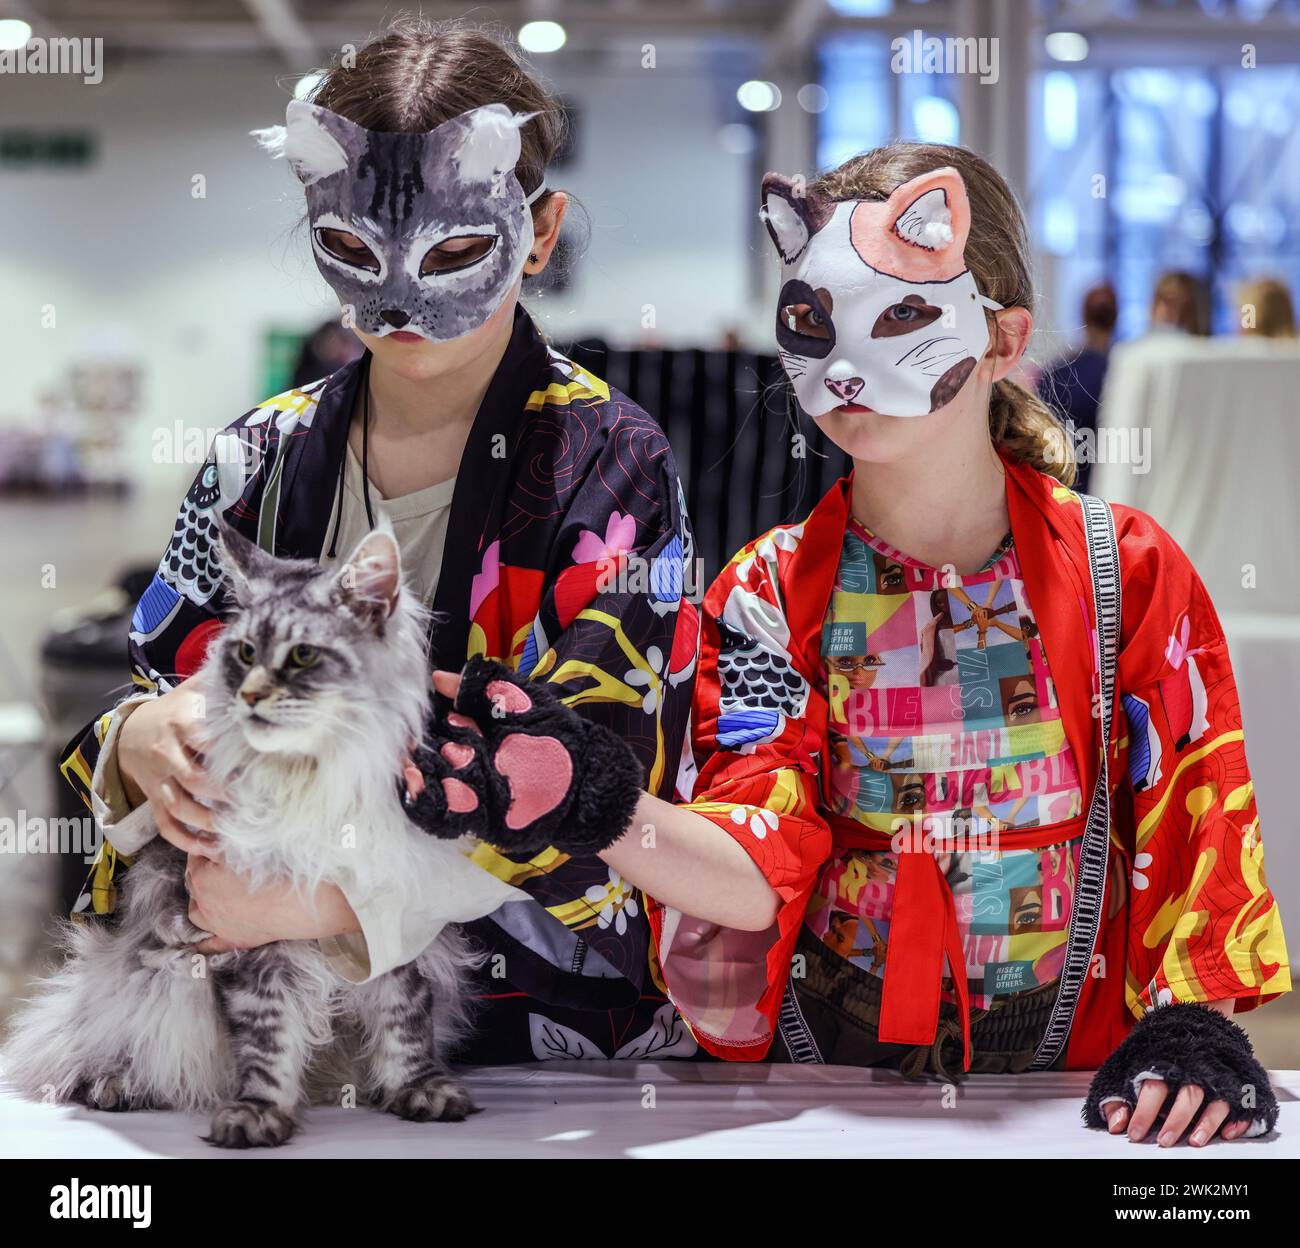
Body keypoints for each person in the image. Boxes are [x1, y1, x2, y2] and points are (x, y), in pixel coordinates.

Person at [58, 21, 765, 1065]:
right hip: (260, 1042)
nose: (395, 299)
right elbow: (153, 680)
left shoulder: (609, 462)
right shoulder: (260, 455)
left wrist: (329, 901)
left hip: (518, 1043)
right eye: (348, 247)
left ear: (540, 229)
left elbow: (589, 781)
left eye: (452, 250)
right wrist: (134, 745)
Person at [607, 143, 1285, 1145]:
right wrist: (602, 808)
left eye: (904, 316)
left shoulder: (1127, 572)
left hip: (1078, 1102)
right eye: (813, 320)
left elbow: (1195, 813)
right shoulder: (763, 590)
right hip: (818, 1098)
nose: (847, 364)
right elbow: (758, 830)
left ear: (1004, 339)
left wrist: (1192, 1029)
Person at [1038, 283, 1117, 492]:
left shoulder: (1057, 374)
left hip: (1064, 488)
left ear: (1083, 316)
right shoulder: (1121, 374)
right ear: (1115, 318)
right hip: (1111, 489)